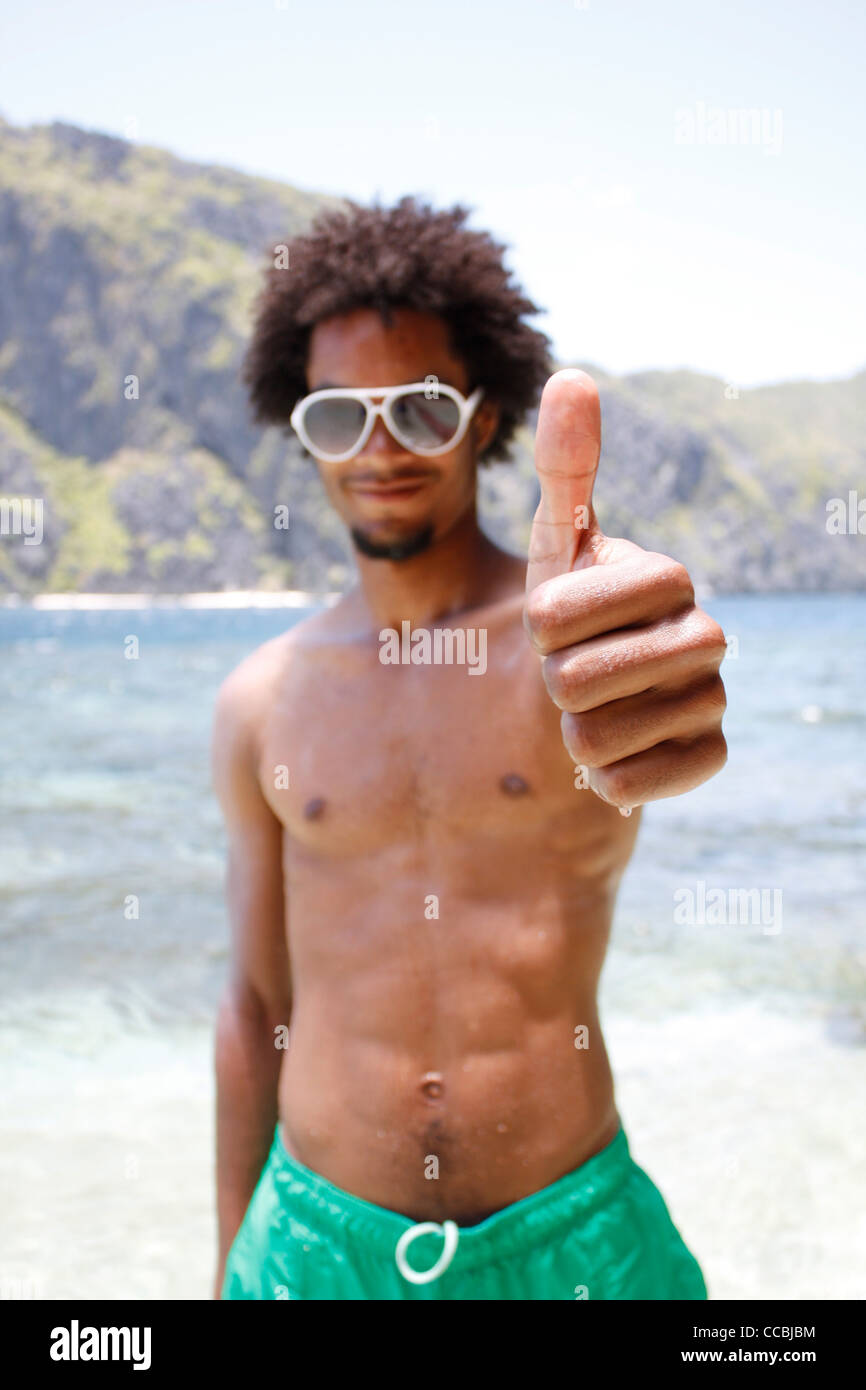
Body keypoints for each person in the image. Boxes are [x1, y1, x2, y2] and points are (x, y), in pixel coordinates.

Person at [213, 196, 727, 1300]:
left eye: (421, 406)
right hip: (311, 1245)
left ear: (483, 416)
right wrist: (223, 1267)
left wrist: (658, 688)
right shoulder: (261, 700)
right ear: (300, 430)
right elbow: (256, 1009)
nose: (381, 445)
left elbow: (642, 721)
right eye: (340, 416)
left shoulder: (566, 649)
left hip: (572, 1240)